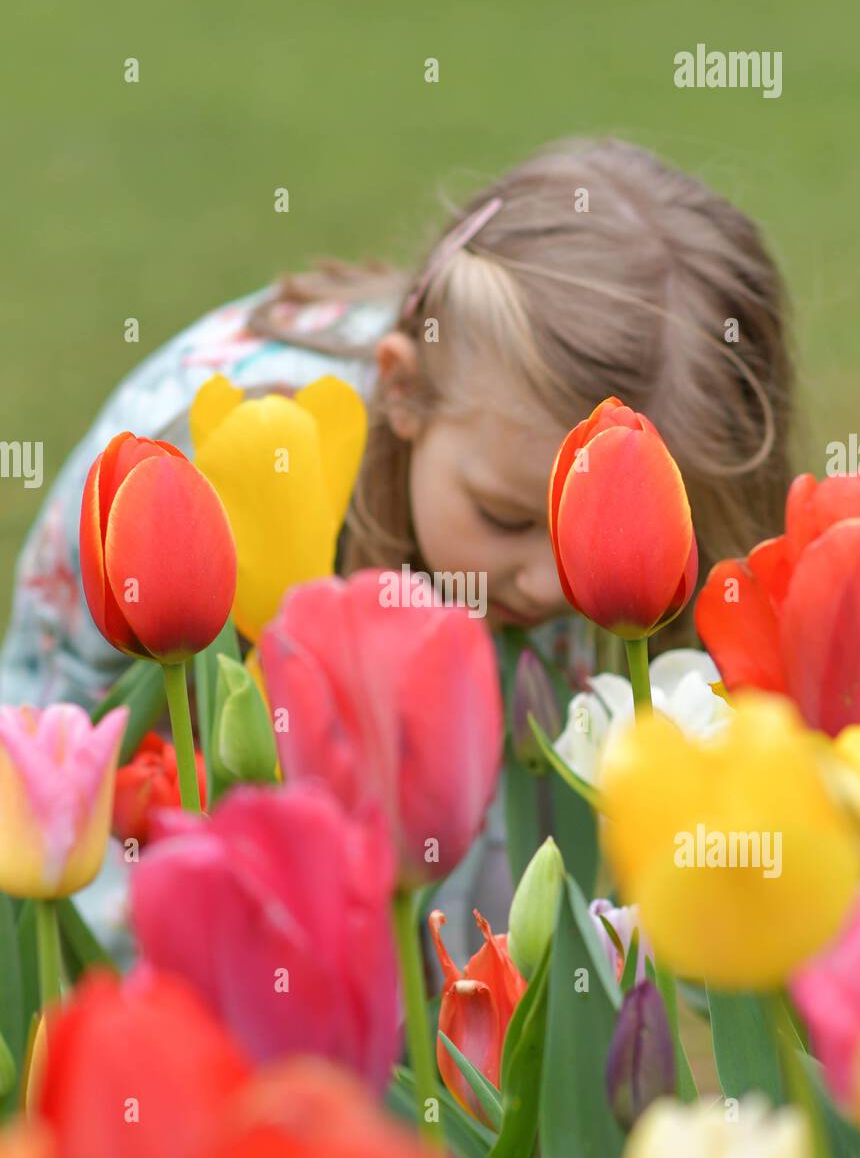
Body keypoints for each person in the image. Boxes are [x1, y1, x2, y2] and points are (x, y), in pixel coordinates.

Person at [0, 135, 795, 957]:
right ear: (404, 391)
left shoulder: (539, 517)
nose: (560, 582)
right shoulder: (209, 460)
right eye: (510, 519)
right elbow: (49, 729)